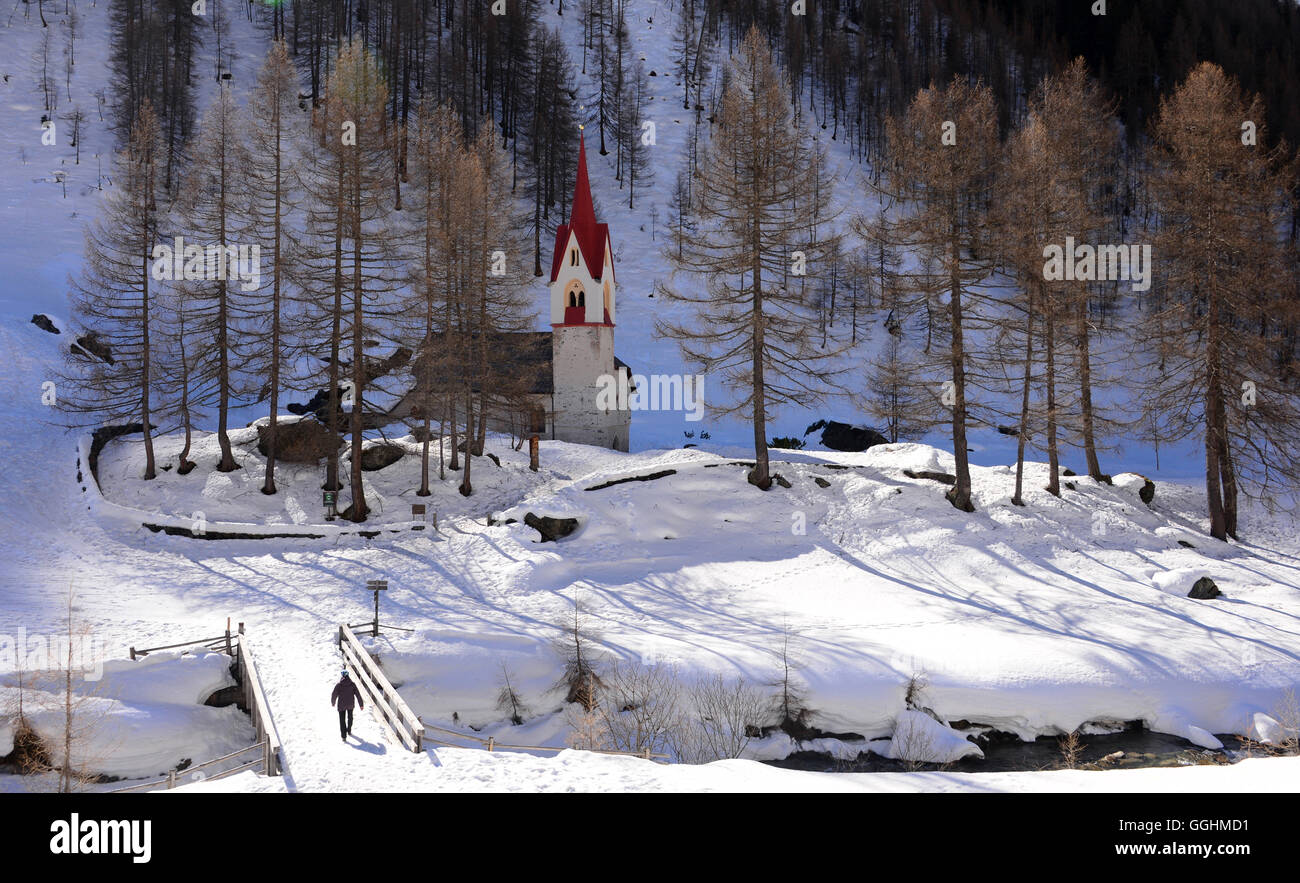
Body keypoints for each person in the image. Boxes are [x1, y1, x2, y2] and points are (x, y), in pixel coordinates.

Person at [331, 669, 364, 741]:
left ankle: (343, 736)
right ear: (348, 675)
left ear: (342, 676)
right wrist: (361, 704)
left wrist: (333, 702)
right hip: (350, 704)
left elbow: (334, 694)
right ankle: (349, 730)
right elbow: (358, 695)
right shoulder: (352, 684)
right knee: (350, 717)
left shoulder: (339, 685)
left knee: (342, 720)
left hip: (341, 705)